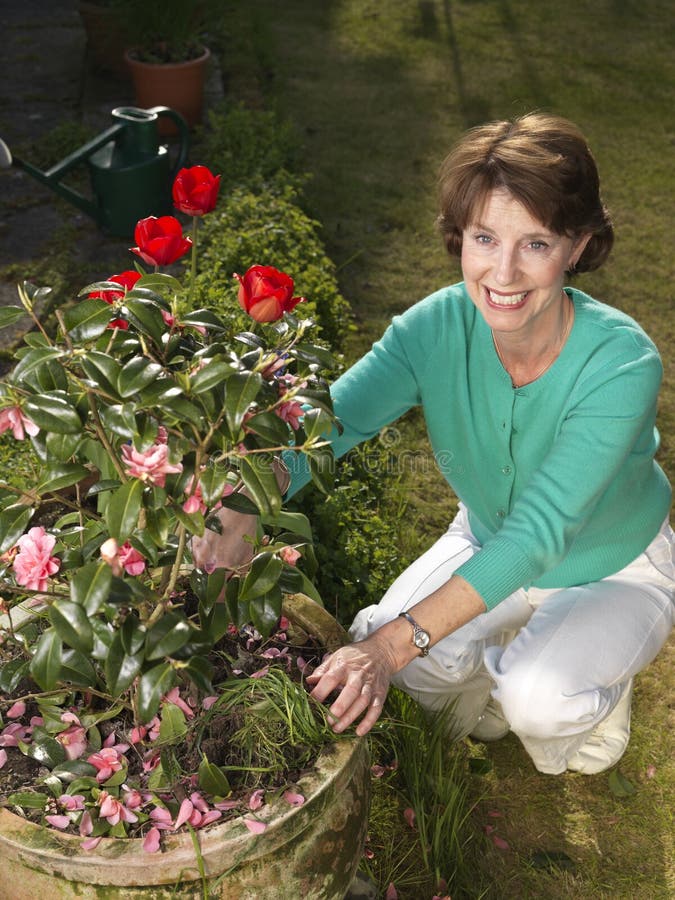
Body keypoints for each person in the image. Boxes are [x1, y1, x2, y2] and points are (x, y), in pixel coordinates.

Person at [196, 113, 674, 776]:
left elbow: (539, 534)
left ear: (577, 244)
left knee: (537, 701)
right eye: (483, 237)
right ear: (461, 237)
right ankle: (502, 662)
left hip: (609, 564)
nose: (501, 273)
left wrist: (394, 649)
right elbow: (335, 420)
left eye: (534, 244)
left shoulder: (620, 364)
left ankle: (587, 690)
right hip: (488, 536)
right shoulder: (435, 327)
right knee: (397, 661)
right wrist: (248, 503)